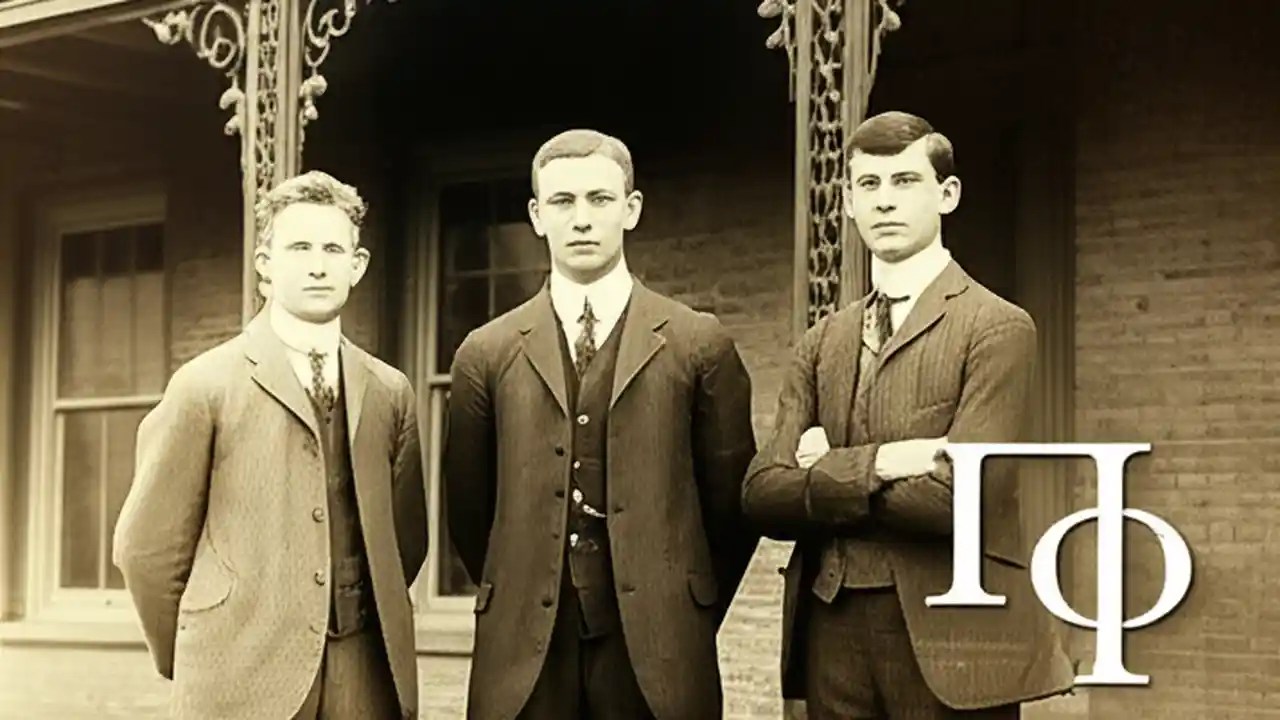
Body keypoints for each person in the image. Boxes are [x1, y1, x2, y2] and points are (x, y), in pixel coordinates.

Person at [742, 111, 1074, 719]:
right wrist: (889, 461)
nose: (885, 201)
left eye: (905, 182)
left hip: (954, 634)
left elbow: (963, 497)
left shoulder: (996, 327)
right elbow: (763, 495)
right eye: (868, 185)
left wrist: (826, 472)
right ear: (846, 202)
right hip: (831, 630)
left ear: (946, 195)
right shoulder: (821, 343)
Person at [444, 129, 760, 720]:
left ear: (631, 209)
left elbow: (731, 511)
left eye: (600, 199)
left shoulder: (698, 343)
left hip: (658, 654)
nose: (581, 219)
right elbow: (470, 510)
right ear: (537, 216)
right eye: (562, 202)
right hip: (525, 655)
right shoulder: (484, 353)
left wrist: (678, 598)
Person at [113, 170, 428, 720]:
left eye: (333, 248)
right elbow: (146, 550)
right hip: (239, 673)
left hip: (364, 673)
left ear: (357, 267)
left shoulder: (389, 390)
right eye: (299, 246)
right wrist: (198, 648)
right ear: (264, 266)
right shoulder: (205, 384)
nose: (317, 263)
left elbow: (406, 541)